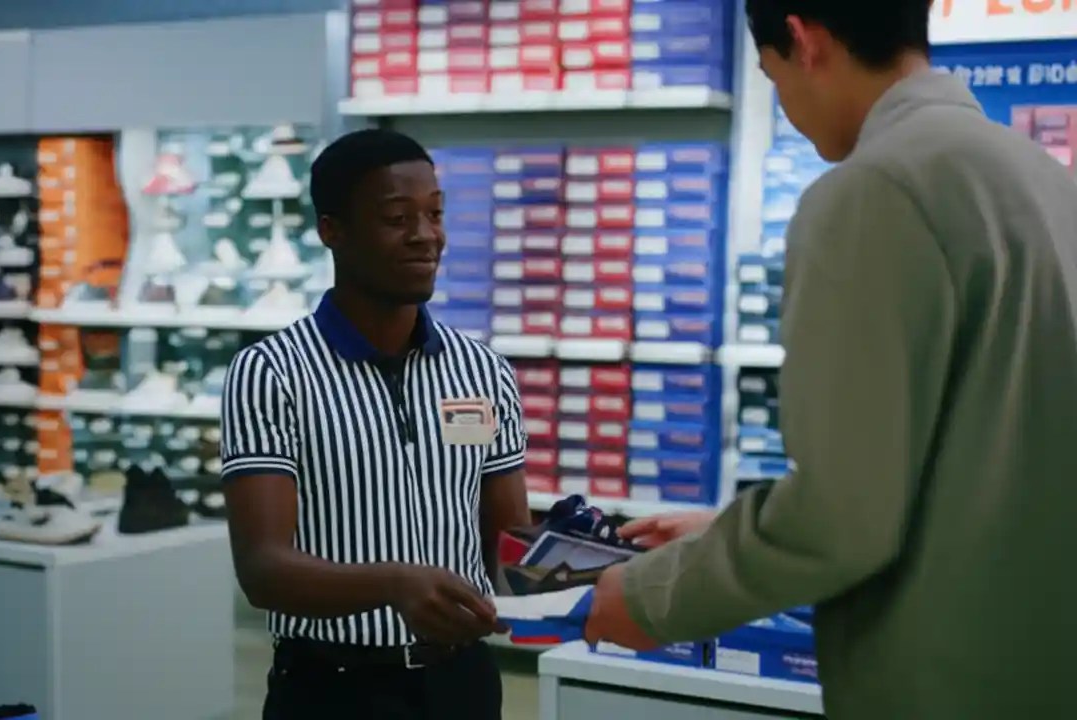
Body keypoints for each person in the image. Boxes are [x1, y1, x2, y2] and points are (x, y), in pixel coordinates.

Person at [585, 1, 1077, 717]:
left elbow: (841, 518)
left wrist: (651, 595)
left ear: (803, 39)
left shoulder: (873, 191)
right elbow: (971, 463)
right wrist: (730, 531)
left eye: (772, 75)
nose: (785, 107)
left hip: (941, 680)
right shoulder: (1043, 177)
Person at [219, 128, 529, 720]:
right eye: (396, 218)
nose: (425, 235)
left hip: (462, 684)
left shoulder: (483, 370)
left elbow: (510, 546)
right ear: (331, 230)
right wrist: (392, 583)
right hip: (332, 691)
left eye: (434, 213)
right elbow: (263, 570)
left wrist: (594, 563)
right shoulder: (271, 373)